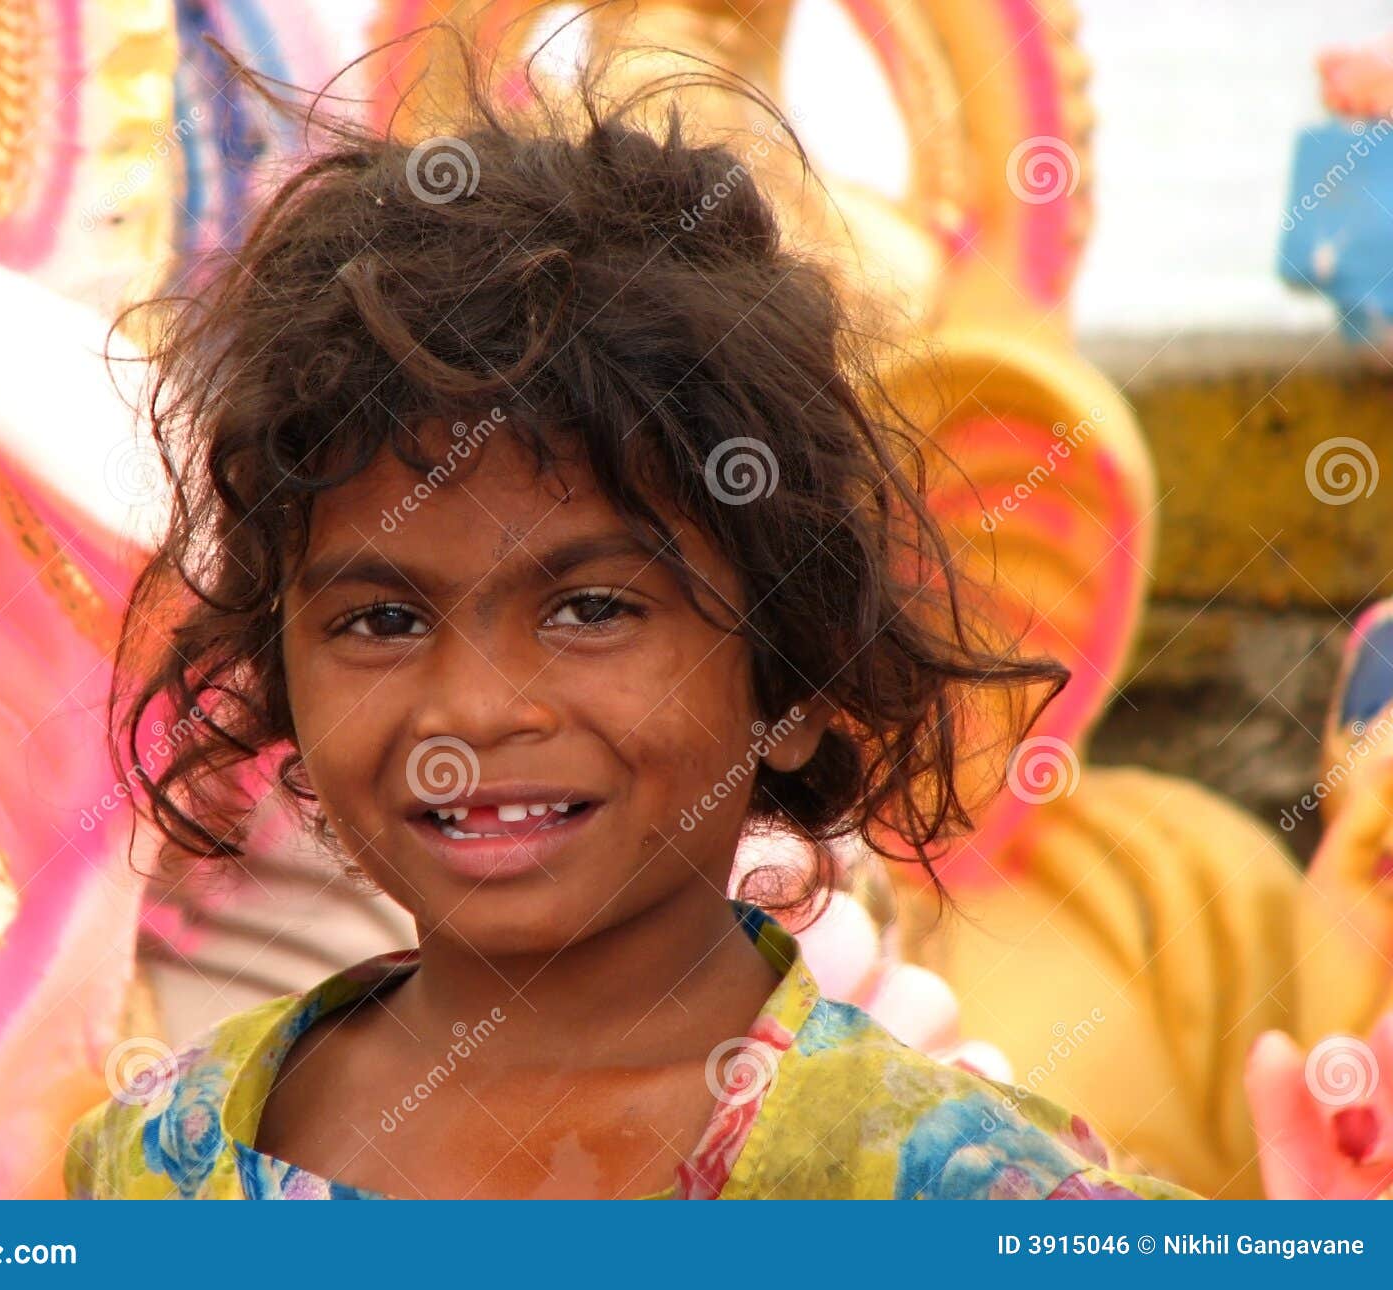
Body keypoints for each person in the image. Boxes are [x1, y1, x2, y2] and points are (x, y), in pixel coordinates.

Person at [65, 6, 1197, 1201]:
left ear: (796, 674)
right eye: (383, 621)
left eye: (592, 609)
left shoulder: (956, 1194)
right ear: (280, 672)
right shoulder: (155, 1161)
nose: (473, 710)